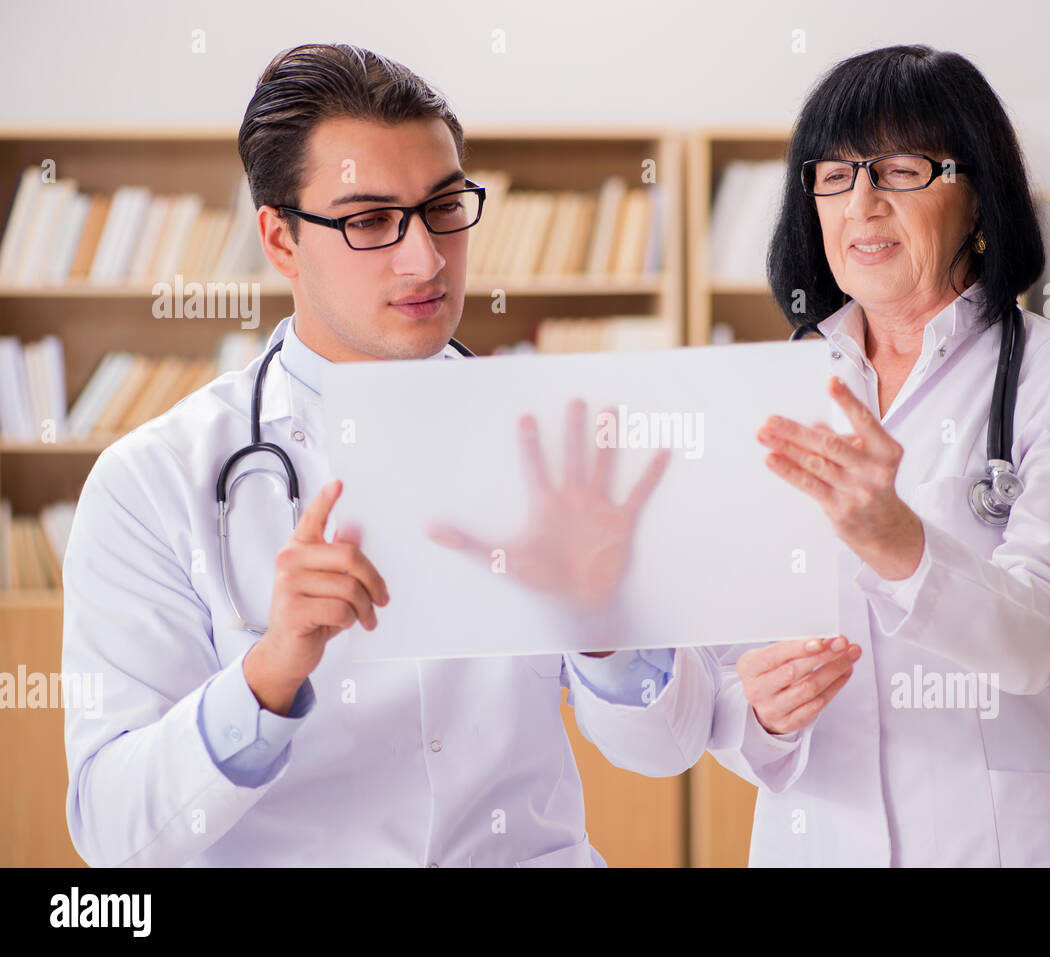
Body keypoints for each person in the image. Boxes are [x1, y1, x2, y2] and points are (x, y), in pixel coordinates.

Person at [61, 42, 712, 867]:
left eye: (444, 206)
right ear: (281, 240)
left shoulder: (558, 446)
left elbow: (667, 747)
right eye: (370, 220)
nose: (427, 258)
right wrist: (268, 673)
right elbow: (114, 832)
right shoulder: (149, 482)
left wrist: (603, 629)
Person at [703, 45, 1050, 866]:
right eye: (834, 175)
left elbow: (1041, 635)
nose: (860, 202)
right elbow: (724, 674)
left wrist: (898, 543)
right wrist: (755, 712)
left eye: (900, 170)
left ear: (979, 197)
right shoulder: (768, 392)